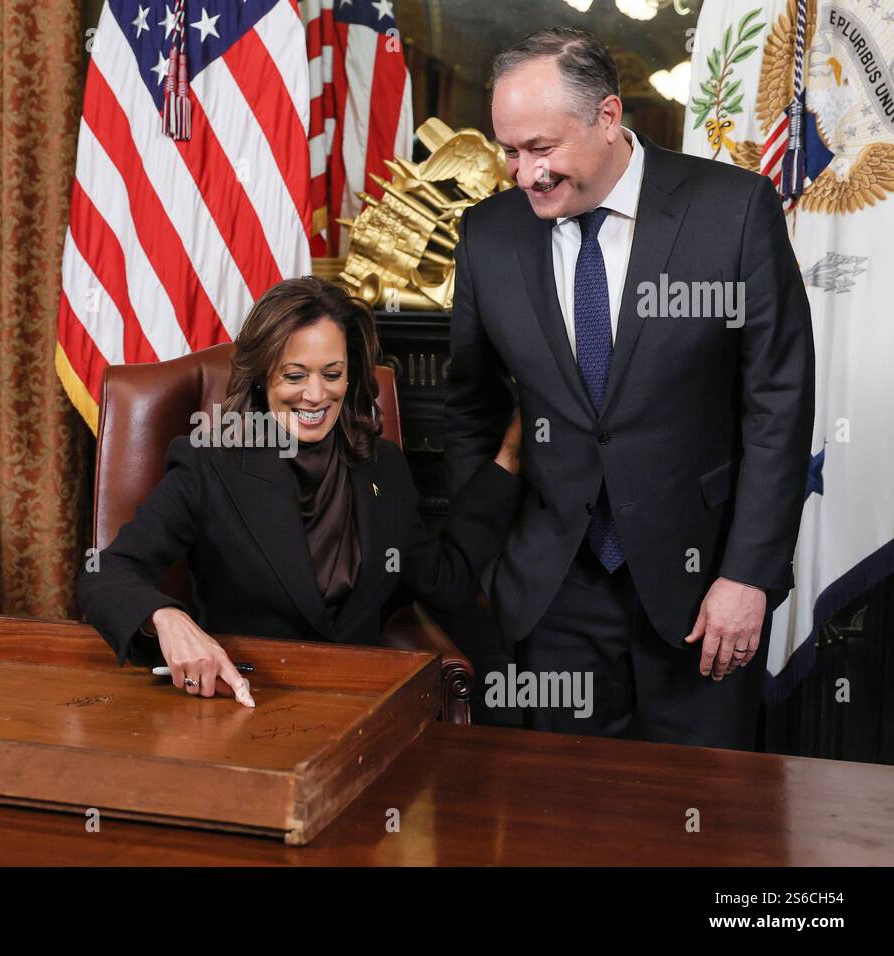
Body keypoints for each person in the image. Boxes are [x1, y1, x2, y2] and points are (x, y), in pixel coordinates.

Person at [445, 28, 814, 749]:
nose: (524, 174)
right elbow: (470, 409)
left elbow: (779, 403)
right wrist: (487, 562)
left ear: (608, 117)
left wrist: (748, 576)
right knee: (565, 810)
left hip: (704, 589)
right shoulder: (488, 235)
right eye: (509, 151)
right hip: (553, 594)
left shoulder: (733, 210)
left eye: (541, 148)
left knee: (704, 809)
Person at [79, 277, 522, 706]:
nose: (315, 394)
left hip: (359, 706)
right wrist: (166, 617)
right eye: (294, 375)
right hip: (244, 702)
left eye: (332, 373)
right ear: (263, 376)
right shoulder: (209, 464)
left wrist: (508, 459)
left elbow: (443, 580)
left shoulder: (382, 465)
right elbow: (107, 572)